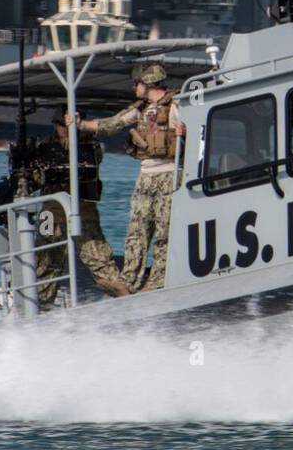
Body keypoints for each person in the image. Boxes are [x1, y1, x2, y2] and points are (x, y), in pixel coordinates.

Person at [79, 63, 183, 291]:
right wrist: (81, 125)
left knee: (165, 231)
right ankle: (129, 281)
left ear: (148, 83)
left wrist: (184, 130)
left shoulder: (177, 106)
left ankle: (157, 281)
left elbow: (200, 128)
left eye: (136, 83)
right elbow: (111, 124)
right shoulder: (140, 109)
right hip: (145, 176)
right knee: (137, 231)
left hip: (170, 173)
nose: (134, 88)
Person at [27, 112, 129, 306]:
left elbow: (85, 165)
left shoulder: (89, 145)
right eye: (59, 124)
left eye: (66, 124)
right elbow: (37, 179)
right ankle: (40, 307)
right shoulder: (44, 147)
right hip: (51, 212)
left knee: (99, 259)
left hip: (83, 211)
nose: (63, 129)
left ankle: (124, 298)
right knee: (45, 262)